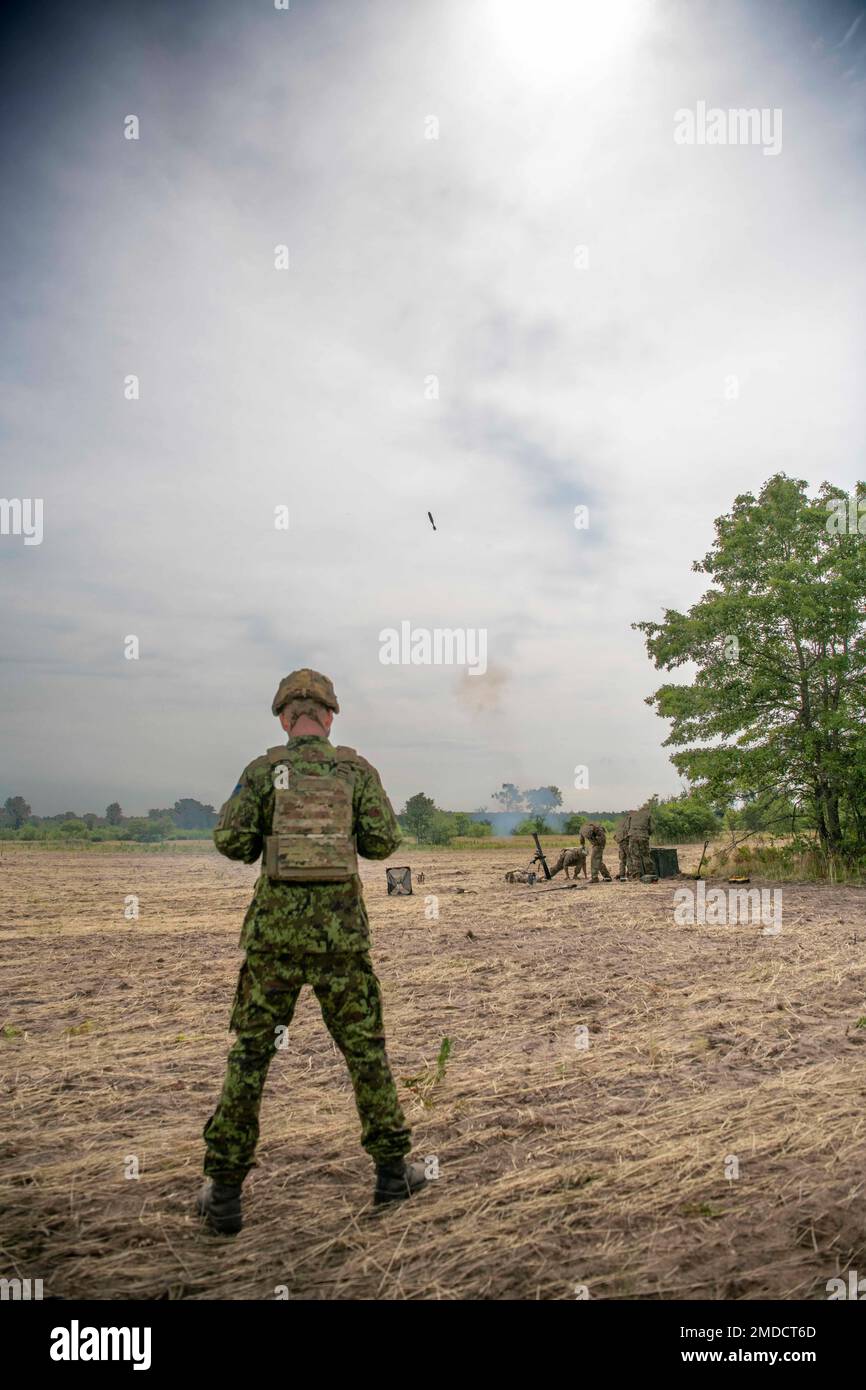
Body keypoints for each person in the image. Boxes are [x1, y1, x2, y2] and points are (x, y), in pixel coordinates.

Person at [198, 669, 426, 1234]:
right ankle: (393, 1175)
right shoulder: (354, 770)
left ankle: (224, 1193)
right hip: (342, 943)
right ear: (329, 717)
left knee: (250, 1058)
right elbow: (382, 844)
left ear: (283, 716)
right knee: (365, 1053)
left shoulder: (263, 770)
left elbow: (230, 843)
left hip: (273, 943)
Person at [614, 813, 631, 879]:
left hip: (621, 845)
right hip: (627, 844)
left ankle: (622, 874)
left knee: (622, 860)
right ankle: (630, 873)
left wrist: (619, 841)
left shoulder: (620, 826)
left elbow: (615, 836)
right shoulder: (629, 826)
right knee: (629, 859)